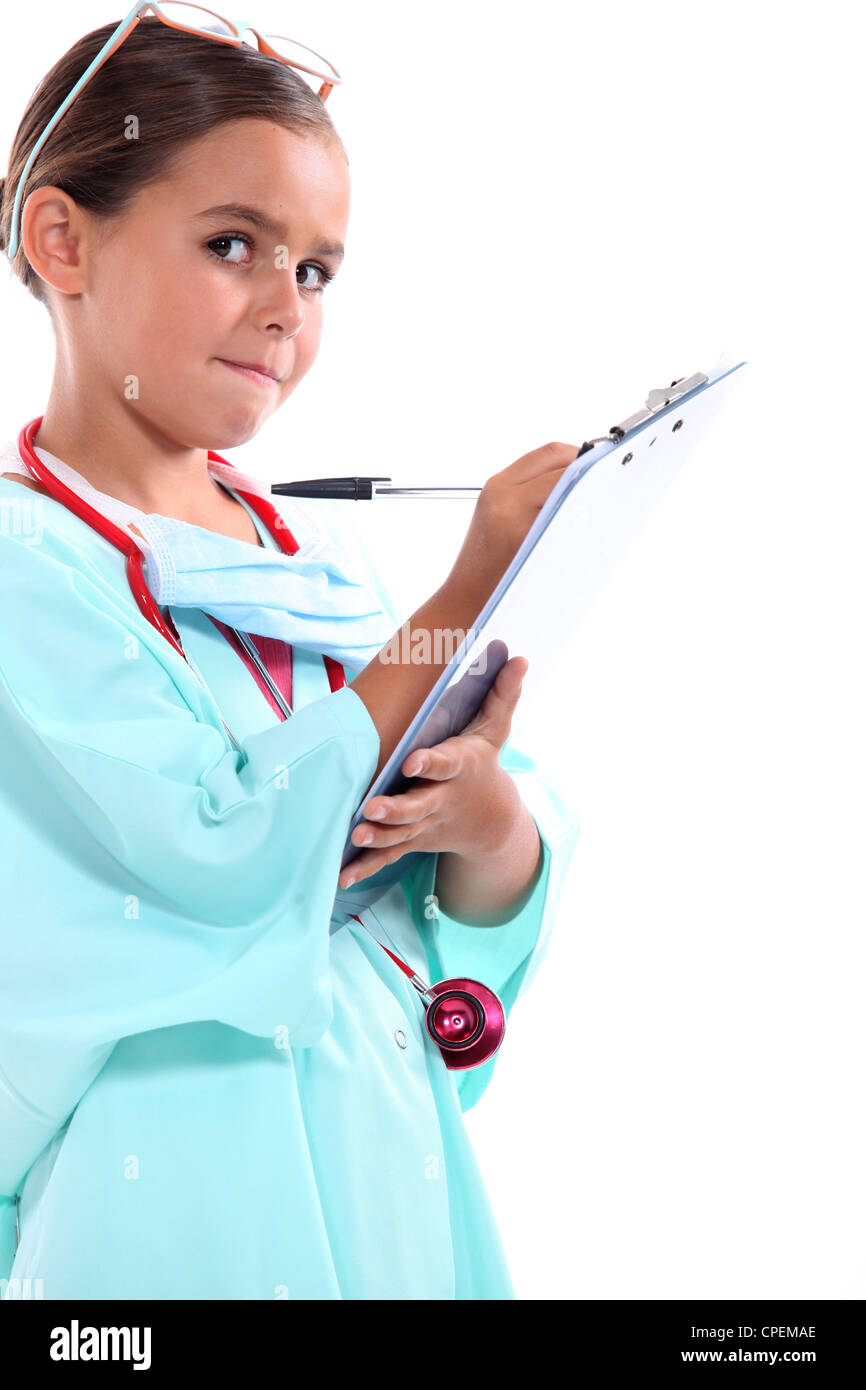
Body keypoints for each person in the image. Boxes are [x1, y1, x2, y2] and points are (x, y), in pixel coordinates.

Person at [0, 12, 582, 1300]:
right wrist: (474, 581)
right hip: (170, 1197)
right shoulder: (22, 568)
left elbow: (435, 902)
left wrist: (485, 828)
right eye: (232, 247)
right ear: (62, 240)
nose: (283, 307)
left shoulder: (306, 569)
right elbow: (215, 850)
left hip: (384, 1156)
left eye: (316, 272)